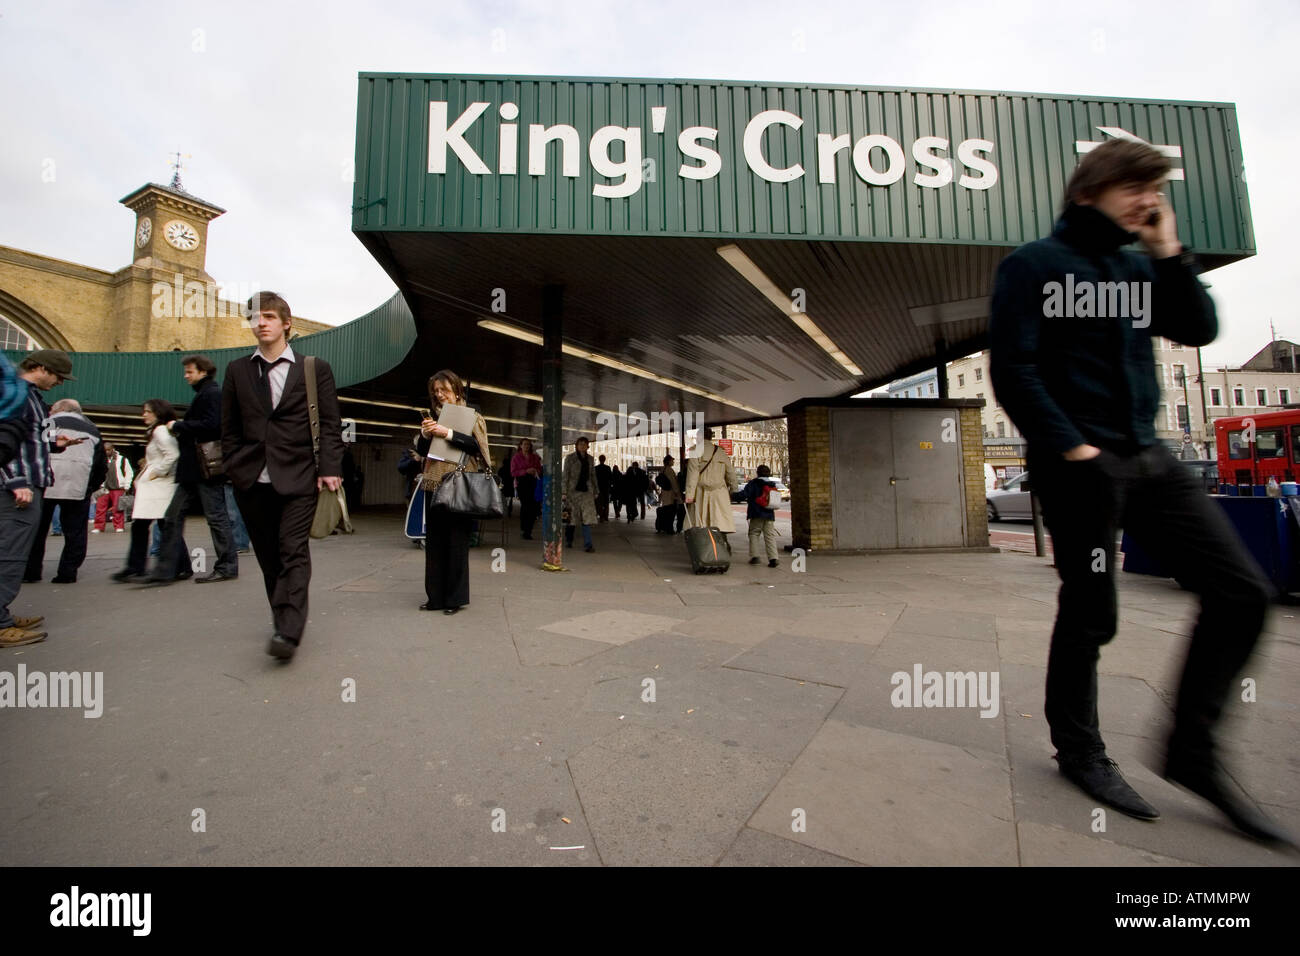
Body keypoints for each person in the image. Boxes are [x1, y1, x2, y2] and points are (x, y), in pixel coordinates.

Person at [990, 138, 1289, 845]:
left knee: (1242, 591)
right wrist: (1075, 446)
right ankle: (1081, 751)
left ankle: (1192, 751)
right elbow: (1015, 370)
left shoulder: (1135, 266)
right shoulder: (1034, 265)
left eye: (1154, 187)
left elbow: (1197, 326)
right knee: (1092, 615)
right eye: (1134, 185)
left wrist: (1167, 251)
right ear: (1089, 190)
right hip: (1079, 463)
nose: (1147, 198)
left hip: (1150, 455)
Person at [222, 291, 343, 660]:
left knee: (292, 550)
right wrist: (233, 464)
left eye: (269, 316)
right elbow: (229, 427)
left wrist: (330, 469)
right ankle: (282, 619)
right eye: (255, 317)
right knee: (269, 557)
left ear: (286, 324)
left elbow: (331, 422)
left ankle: (289, 632)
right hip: (251, 481)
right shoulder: (237, 370)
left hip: (299, 477)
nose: (261, 323)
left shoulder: (313, 368)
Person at [0, 349, 80, 646]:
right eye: (58, 375)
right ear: (42, 368)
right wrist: (15, 480)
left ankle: (3, 613)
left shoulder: (27, 396)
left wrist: (55, 444)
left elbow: (28, 439)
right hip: (17, 486)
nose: (60, 382)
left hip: (25, 483)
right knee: (9, 554)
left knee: (12, 551)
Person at [148, 355, 238, 586]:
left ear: (203, 372)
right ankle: (171, 569)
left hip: (203, 469)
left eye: (190, 372)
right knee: (172, 517)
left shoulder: (211, 394)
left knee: (214, 517)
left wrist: (178, 426)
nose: (186, 376)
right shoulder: (205, 394)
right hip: (194, 470)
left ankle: (226, 566)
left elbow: (213, 426)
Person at [415, 370, 490, 614]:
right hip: (434, 483)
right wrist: (426, 435)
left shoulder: (472, 416)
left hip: (460, 484)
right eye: (436, 391)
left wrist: (446, 433)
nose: (439, 395)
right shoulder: (433, 417)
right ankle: (435, 597)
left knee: (456, 542)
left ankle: (454, 599)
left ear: (457, 391)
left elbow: (476, 447)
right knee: (434, 542)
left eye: (444, 390)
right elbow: (425, 451)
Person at [24, 399, 105, 584]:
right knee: (75, 532)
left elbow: (39, 451)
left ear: (60, 409)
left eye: (52, 409)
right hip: (79, 487)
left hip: (46, 485)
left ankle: (31, 571)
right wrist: (91, 485)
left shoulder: (49, 422)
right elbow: (100, 465)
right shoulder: (92, 429)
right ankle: (67, 573)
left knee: (38, 531)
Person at [111, 400, 181, 584]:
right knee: (159, 527)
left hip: (158, 488)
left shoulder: (159, 431)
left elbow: (173, 455)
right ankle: (177, 567)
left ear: (158, 413)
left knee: (154, 527)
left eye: (147, 412)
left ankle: (137, 567)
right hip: (156, 488)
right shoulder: (158, 431)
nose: (144, 415)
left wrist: (157, 472)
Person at [684, 436, 737, 537]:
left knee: (701, 524)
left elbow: (692, 475)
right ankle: (719, 545)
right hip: (719, 492)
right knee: (719, 523)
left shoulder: (695, 450)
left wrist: (689, 495)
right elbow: (730, 472)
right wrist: (734, 489)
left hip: (701, 492)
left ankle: (706, 545)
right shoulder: (721, 451)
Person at [561, 436, 598, 553]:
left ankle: (588, 544)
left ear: (588, 446)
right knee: (572, 518)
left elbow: (593, 475)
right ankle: (569, 539)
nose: (582, 446)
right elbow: (565, 475)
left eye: (584, 444)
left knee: (586, 518)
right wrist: (564, 492)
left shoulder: (591, 459)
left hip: (586, 492)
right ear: (576, 446)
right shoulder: (570, 458)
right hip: (572, 492)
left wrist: (596, 490)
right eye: (580, 444)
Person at [743, 464, 779, 568]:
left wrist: (732, 495)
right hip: (769, 514)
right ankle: (773, 558)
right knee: (770, 536)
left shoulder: (753, 483)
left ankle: (755, 557)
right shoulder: (772, 484)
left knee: (754, 533)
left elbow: (744, 494)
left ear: (758, 473)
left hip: (756, 513)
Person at [92, 442, 133, 533]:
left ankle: (119, 526)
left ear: (113, 449)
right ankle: (98, 526)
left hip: (118, 487)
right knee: (100, 508)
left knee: (118, 508)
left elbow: (129, 472)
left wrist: (127, 486)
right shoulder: (101, 459)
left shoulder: (122, 459)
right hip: (103, 487)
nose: (106, 452)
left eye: (108, 450)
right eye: (105, 450)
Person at [510, 438, 542, 540]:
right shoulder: (516, 458)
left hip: (533, 482)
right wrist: (525, 471)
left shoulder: (535, 457)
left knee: (533, 507)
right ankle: (524, 528)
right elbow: (513, 472)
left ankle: (529, 530)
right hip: (522, 483)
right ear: (520, 446)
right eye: (524, 444)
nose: (526, 446)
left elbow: (540, 470)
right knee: (525, 506)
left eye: (528, 444)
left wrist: (535, 470)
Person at [654, 454, 683, 534]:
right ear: (668, 461)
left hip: (664, 493)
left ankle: (662, 527)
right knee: (671, 513)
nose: (673, 461)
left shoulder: (662, 469)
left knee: (665, 511)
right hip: (670, 494)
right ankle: (669, 529)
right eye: (672, 460)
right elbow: (673, 482)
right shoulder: (669, 470)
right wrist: (677, 492)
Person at [594, 454, 612, 522]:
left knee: (599, 503)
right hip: (606, 488)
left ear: (599, 459)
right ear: (604, 460)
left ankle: (601, 516)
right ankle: (606, 516)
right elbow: (610, 478)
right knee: (606, 503)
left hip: (598, 488)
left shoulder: (596, 468)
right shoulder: (608, 468)